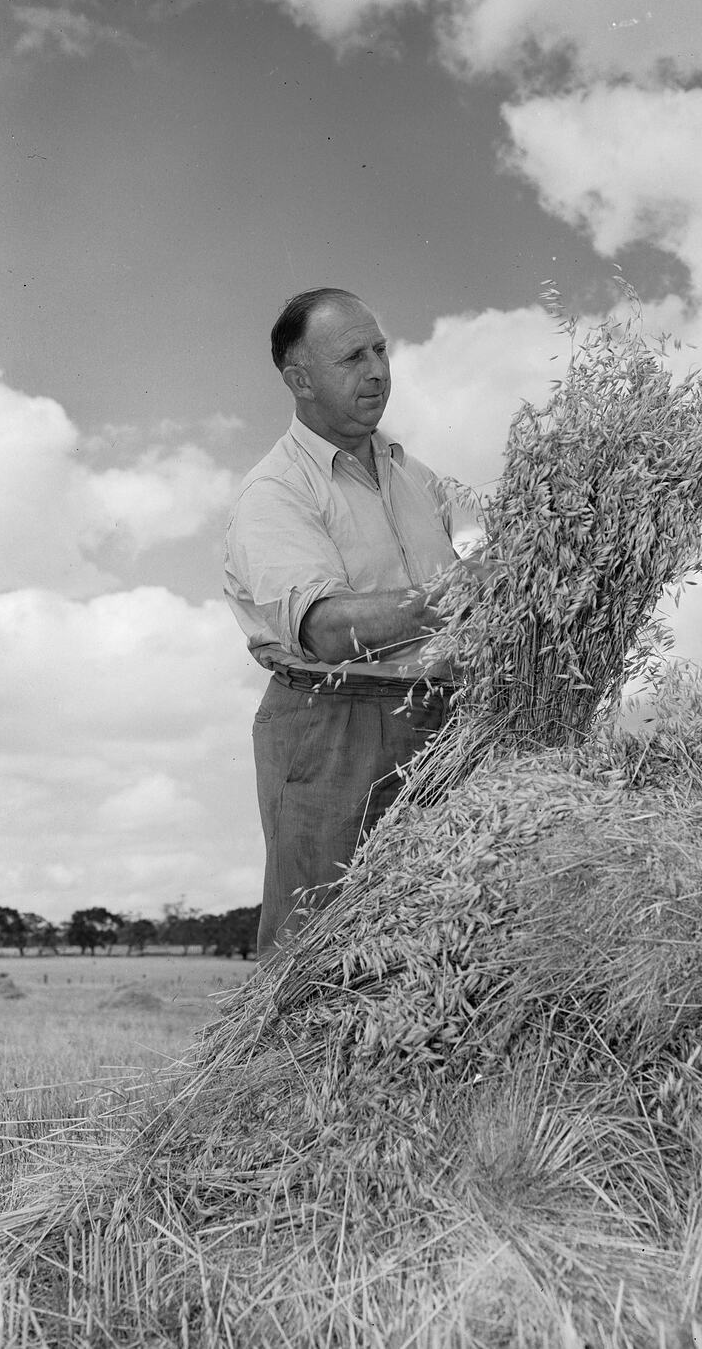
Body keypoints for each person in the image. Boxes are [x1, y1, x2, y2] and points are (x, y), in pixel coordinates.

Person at [224, 287, 466, 958]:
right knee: (320, 950)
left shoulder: (417, 477)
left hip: (438, 722)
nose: (377, 369)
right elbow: (326, 628)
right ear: (299, 381)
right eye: (351, 357)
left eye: (381, 349)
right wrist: (466, 594)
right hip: (329, 729)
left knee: (435, 942)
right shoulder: (276, 493)